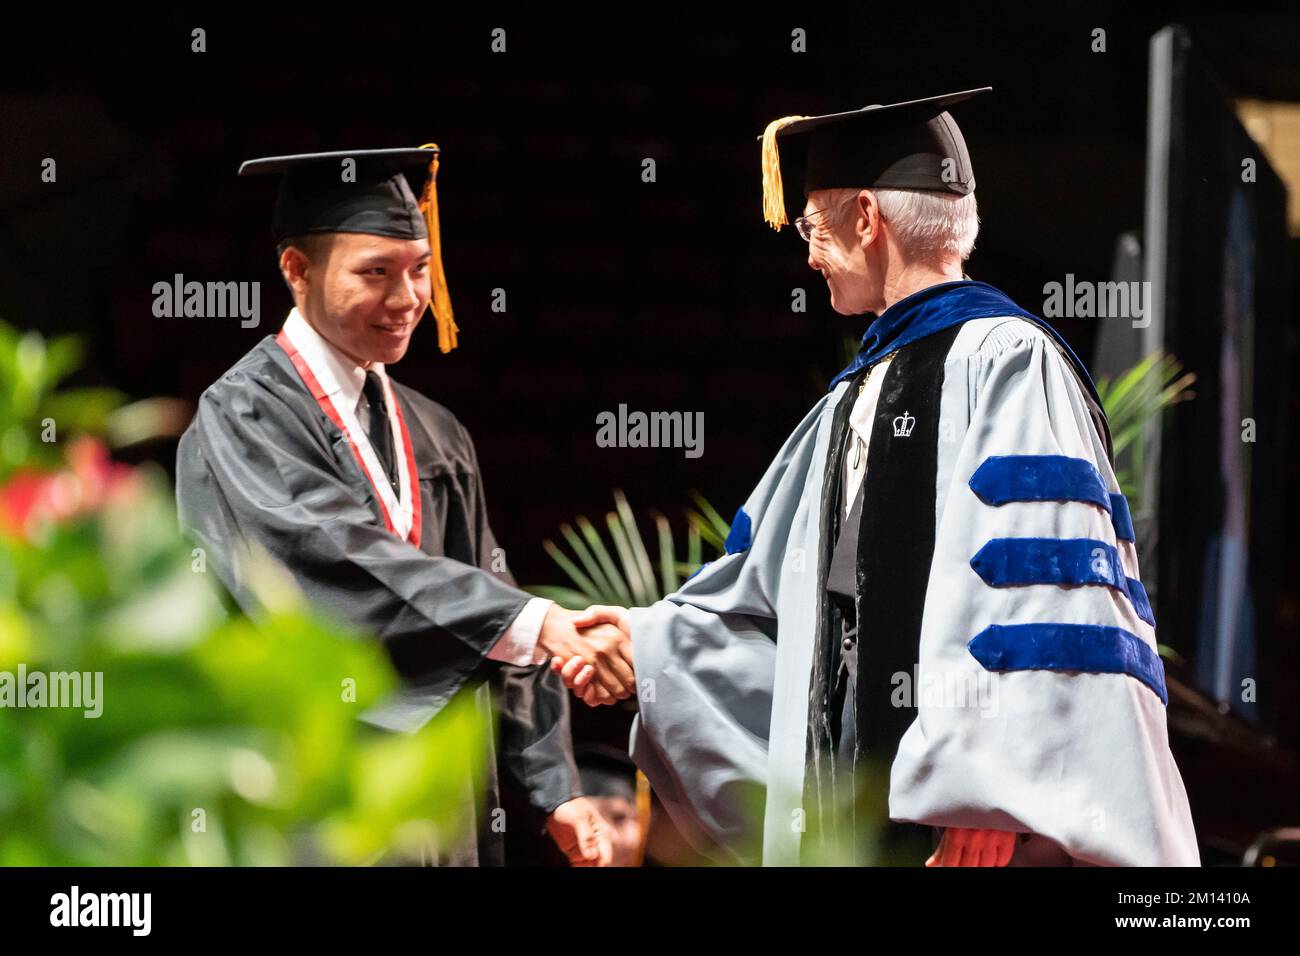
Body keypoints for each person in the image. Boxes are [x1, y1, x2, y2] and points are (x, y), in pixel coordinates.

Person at [554, 90, 1201, 867]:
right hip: (861, 814)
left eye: (811, 227)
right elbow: (774, 604)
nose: (807, 254)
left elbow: (1040, 596)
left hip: (980, 837)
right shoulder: (851, 399)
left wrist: (992, 789)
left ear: (866, 217)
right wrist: (644, 641)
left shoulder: (1007, 360)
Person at [176, 145, 636, 866]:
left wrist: (555, 787)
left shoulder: (435, 430)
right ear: (296, 270)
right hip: (311, 796)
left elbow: (494, 605)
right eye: (375, 273)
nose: (407, 298)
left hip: (439, 808)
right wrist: (536, 622)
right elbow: (333, 559)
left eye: (420, 269)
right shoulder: (245, 416)